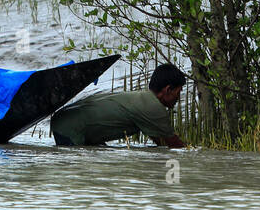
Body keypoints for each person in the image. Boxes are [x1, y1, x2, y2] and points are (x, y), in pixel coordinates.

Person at [51, 63, 188, 148]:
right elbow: (175, 146)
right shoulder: (153, 107)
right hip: (69, 126)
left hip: (65, 119)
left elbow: (160, 141)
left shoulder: (144, 100)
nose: (178, 97)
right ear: (168, 89)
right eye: (178, 91)